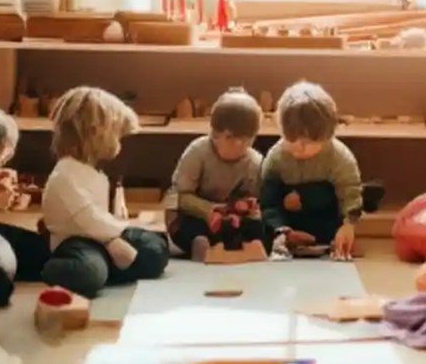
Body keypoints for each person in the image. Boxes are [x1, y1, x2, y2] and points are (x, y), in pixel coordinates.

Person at [39, 87, 169, 298]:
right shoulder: (64, 176)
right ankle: (49, 268)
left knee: (156, 249)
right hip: (76, 242)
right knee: (89, 272)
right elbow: (88, 218)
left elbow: (102, 217)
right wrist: (115, 237)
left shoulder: (94, 172)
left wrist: (121, 234)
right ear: (94, 133)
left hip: (102, 237)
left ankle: (111, 266)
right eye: (116, 134)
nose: (119, 141)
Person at [260, 81, 363, 260]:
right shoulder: (276, 158)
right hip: (289, 223)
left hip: (323, 220)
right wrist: (281, 230)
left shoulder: (339, 157)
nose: (301, 149)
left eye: (309, 144)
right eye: (293, 141)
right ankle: (286, 239)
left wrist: (348, 226)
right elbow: (268, 203)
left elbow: (349, 192)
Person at [165, 88, 264, 261]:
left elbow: (253, 199)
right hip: (194, 214)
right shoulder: (198, 152)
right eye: (231, 138)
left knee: (256, 227)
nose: (239, 145)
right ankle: (200, 245)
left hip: (229, 217)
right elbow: (181, 196)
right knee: (191, 228)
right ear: (215, 134)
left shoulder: (253, 161)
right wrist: (209, 210)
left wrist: (245, 206)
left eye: (247, 140)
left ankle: (247, 246)